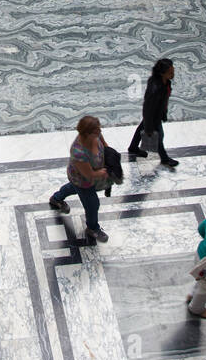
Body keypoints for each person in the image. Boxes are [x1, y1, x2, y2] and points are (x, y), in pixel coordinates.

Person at [49, 114, 112, 243]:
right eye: (97, 130)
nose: (100, 131)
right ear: (87, 133)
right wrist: (104, 172)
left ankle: (56, 198)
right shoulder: (79, 153)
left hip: (81, 178)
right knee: (92, 204)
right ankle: (92, 228)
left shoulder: (95, 134)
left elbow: (104, 143)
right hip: (83, 180)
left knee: (72, 188)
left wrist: (108, 151)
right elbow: (89, 175)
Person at [127, 58, 180, 167]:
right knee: (159, 136)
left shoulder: (166, 82)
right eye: (170, 72)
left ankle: (133, 147)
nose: (173, 74)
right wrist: (149, 126)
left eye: (173, 71)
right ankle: (164, 158)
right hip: (153, 115)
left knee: (142, 127)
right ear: (162, 73)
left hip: (157, 113)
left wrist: (163, 113)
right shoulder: (155, 87)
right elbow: (148, 108)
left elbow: (163, 100)